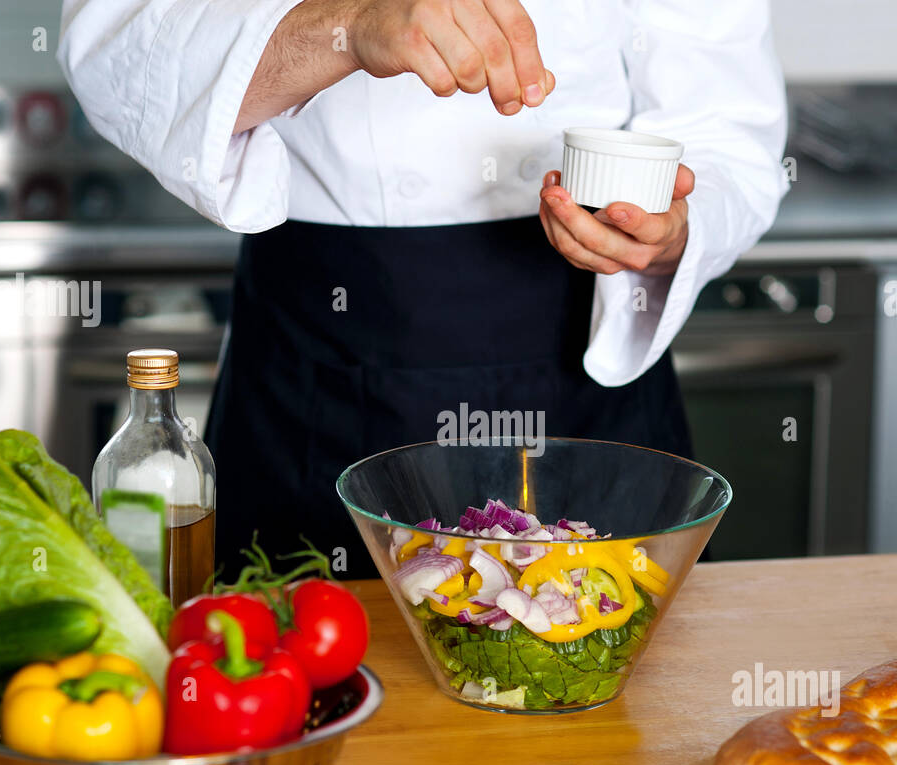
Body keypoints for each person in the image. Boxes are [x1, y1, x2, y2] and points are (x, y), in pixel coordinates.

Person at [58, 0, 787, 576]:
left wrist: (672, 231)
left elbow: (727, 132)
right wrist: (345, 25)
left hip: (584, 367)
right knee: (308, 721)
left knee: (615, 723)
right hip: (317, 375)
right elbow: (114, 51)